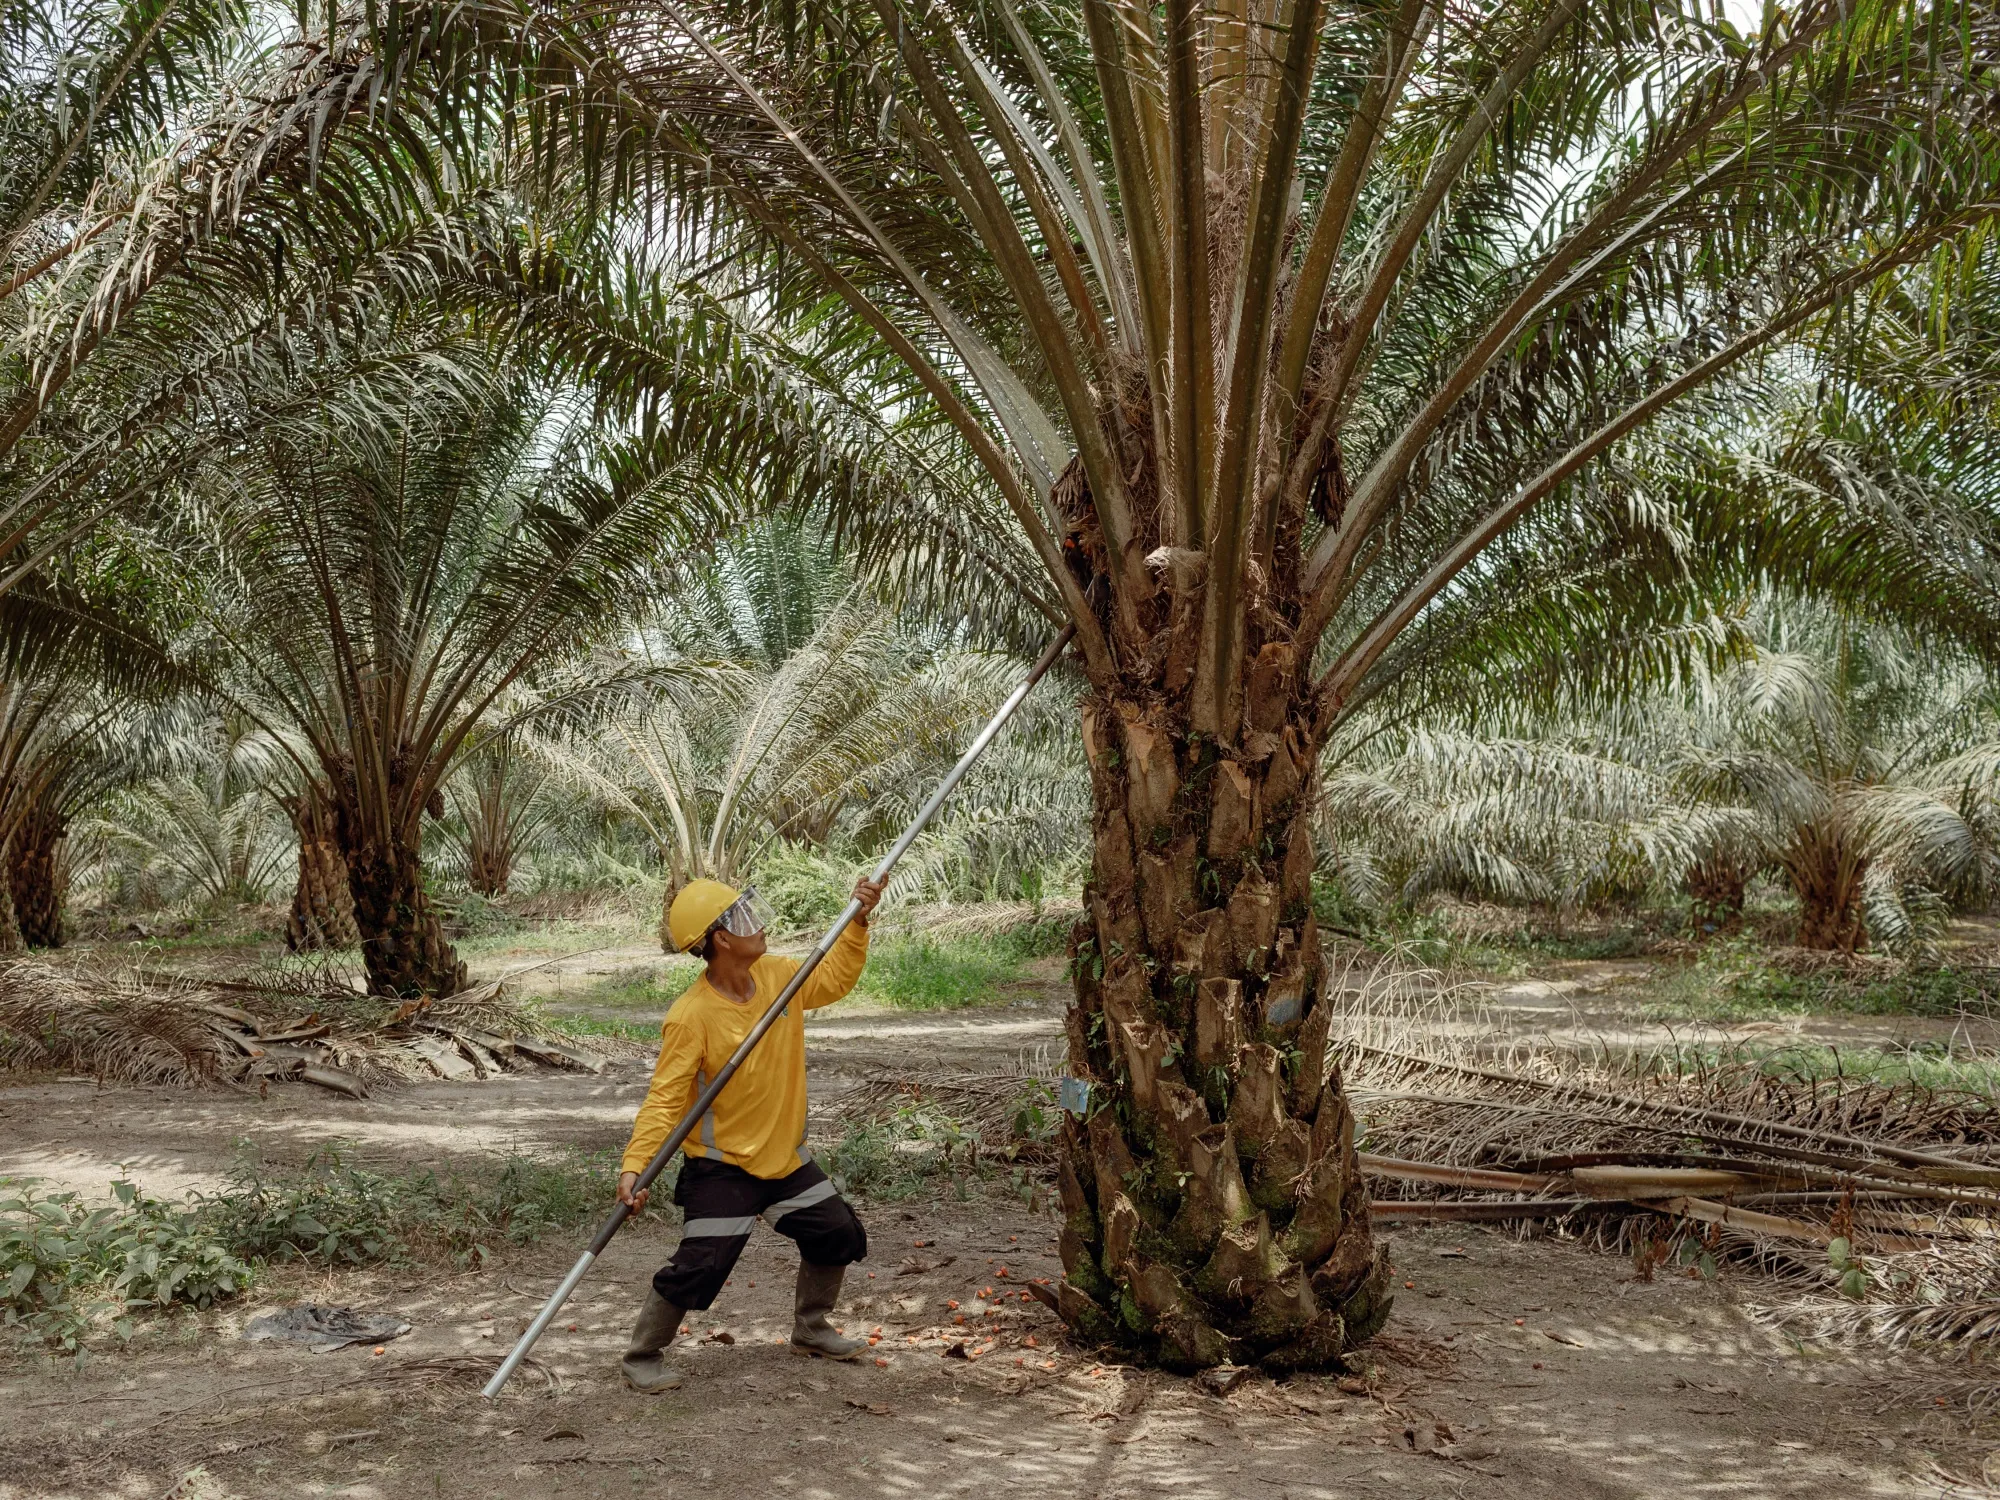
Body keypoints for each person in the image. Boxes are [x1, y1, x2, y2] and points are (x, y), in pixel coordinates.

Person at [615, 874, 884, 1392]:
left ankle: (811, 1328)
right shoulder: (691, 1017)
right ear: (720, 938)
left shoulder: (779, 975)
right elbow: (664, 1101)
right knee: (701, 1263)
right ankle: (642, 1354)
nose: (758, 923)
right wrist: (635, 1166)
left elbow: (833, 980)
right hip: (723, 1167)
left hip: (785, 1161)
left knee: (838, 1233)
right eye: (742, 917)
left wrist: (858, 922)